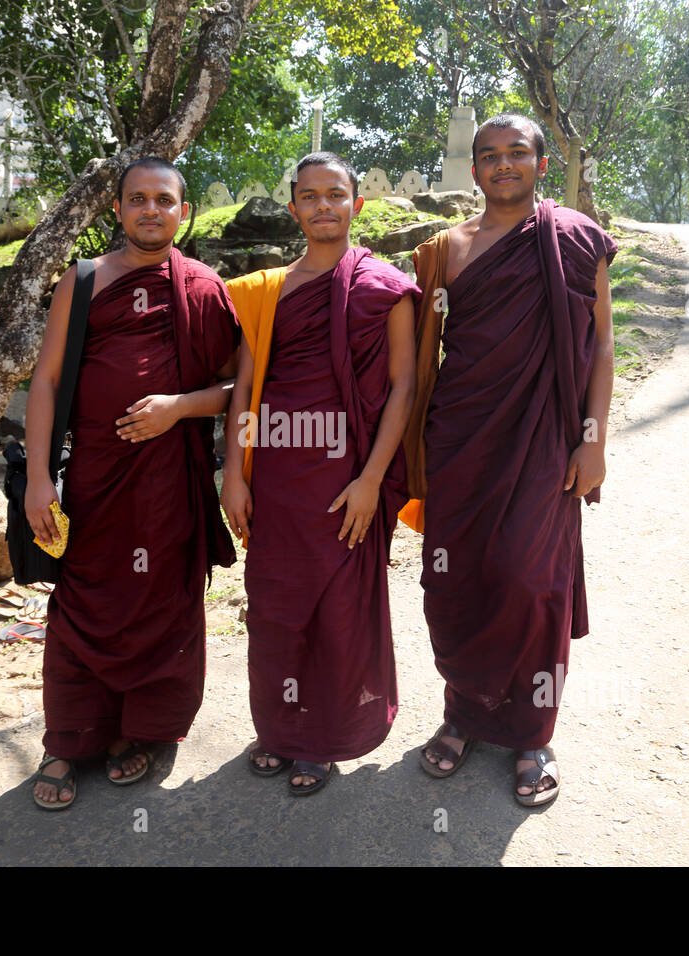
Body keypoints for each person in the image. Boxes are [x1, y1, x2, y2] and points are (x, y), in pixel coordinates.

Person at [402, 114, 616, 807]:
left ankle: (531, 733)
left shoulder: (577, 240)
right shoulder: (445, 251)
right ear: (474, 170)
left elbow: (602, 347)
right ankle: (463, 714)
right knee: (457, 584)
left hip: (546, 441)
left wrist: (593, 439)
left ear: (542, 164)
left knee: (531, 581)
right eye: (488, 156)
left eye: (516, 152)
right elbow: (425, 357)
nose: (502, 165)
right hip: (462, 441)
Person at [25, 157, 240, 810]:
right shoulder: (83, 282)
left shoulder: (204, 288)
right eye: (138, 199)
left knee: (161, 602)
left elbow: (237, 390)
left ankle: (138, 731)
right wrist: (38, 478)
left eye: (164, 199)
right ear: (117, 211)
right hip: (94, 481)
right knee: (82, 602)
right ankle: (69, 736)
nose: (151, 209)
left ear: (183, 211)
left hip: (169, 487)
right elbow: (46, 381)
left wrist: (178, 407)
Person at [220, 152, 419, 796]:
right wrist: (235, 472)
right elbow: (246, 386)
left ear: (357, 205)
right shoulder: (266, 292)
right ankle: (280, 728)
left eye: (336, 194)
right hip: (278, 473)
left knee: (338, 610)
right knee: (275, 607)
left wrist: (371, 480)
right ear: (294, 208)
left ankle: (324, 739)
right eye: (309, 196)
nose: (323, 206)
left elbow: (403, 386)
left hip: (346, 479)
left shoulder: (385, 285)